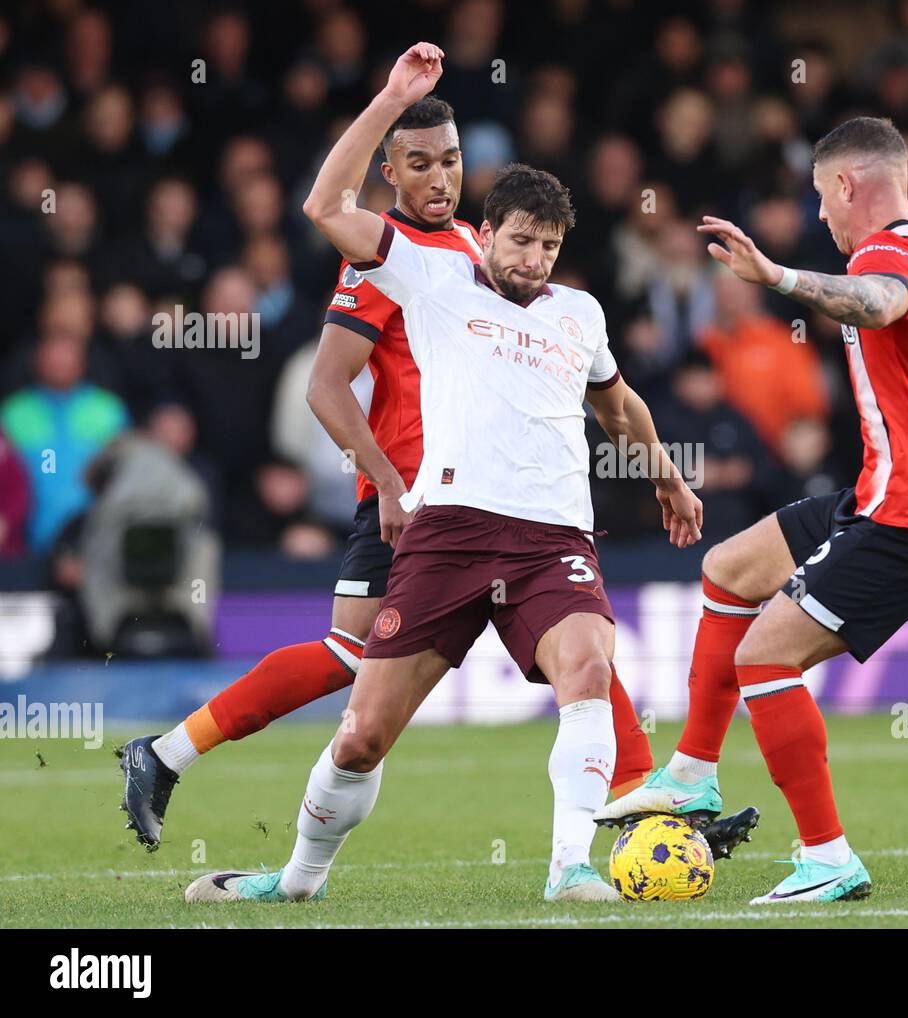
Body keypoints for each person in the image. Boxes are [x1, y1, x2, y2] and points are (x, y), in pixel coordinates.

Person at [119, 90, 709, 860]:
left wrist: (659, 468)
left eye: (452, 161)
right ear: (389, 173)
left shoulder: (482, 248)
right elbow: (326, 385)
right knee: (355, 662)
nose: (440, 179)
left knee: (576, 642)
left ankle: (646, 811)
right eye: (420, 164)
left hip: (496, 496)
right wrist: (386, 481)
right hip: (417, 498)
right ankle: (177, 761)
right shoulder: (387, 260)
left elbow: (608, 394)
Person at [597, 116, 908, 904]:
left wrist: (781, 279)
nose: (822, 216)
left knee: (763, 658)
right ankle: (693, 776)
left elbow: (876, 302)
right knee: (729, 569)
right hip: (886, 492)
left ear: (845, 184)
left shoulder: (887, 256)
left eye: (821, 198)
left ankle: (828, 857)